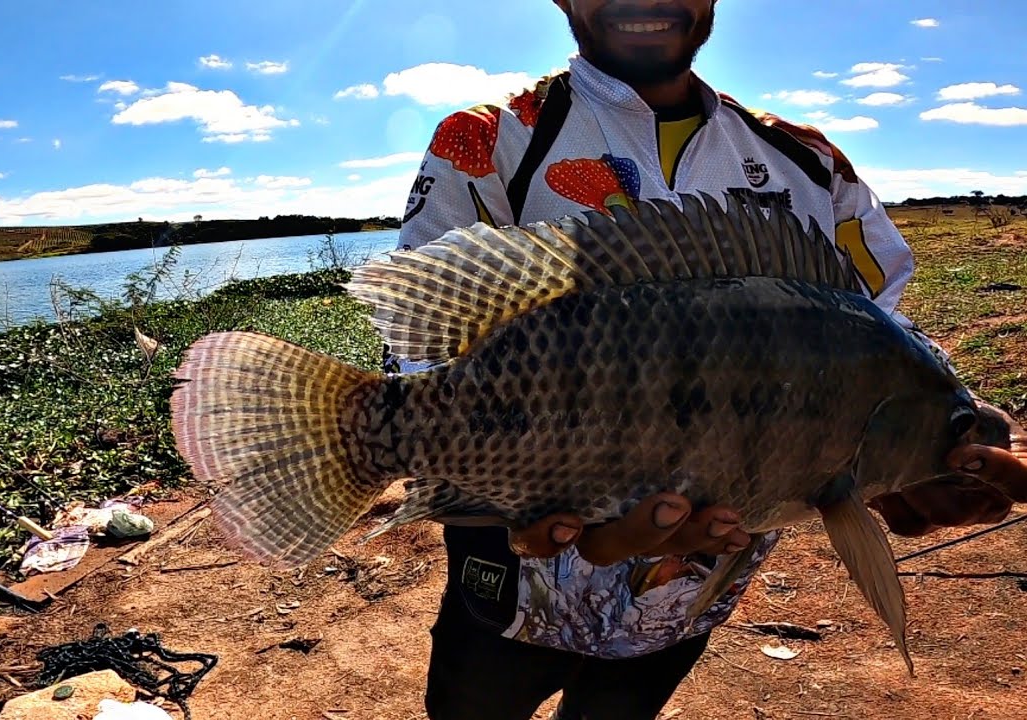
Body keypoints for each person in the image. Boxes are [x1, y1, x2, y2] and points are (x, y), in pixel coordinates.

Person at [388, 1, 1027, 718]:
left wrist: (934, 461)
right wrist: (493, 483)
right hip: (509, 582)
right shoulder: (488, 139)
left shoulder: (809, 164)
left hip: (687, 603)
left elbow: (879, 341)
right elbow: (420, 342)